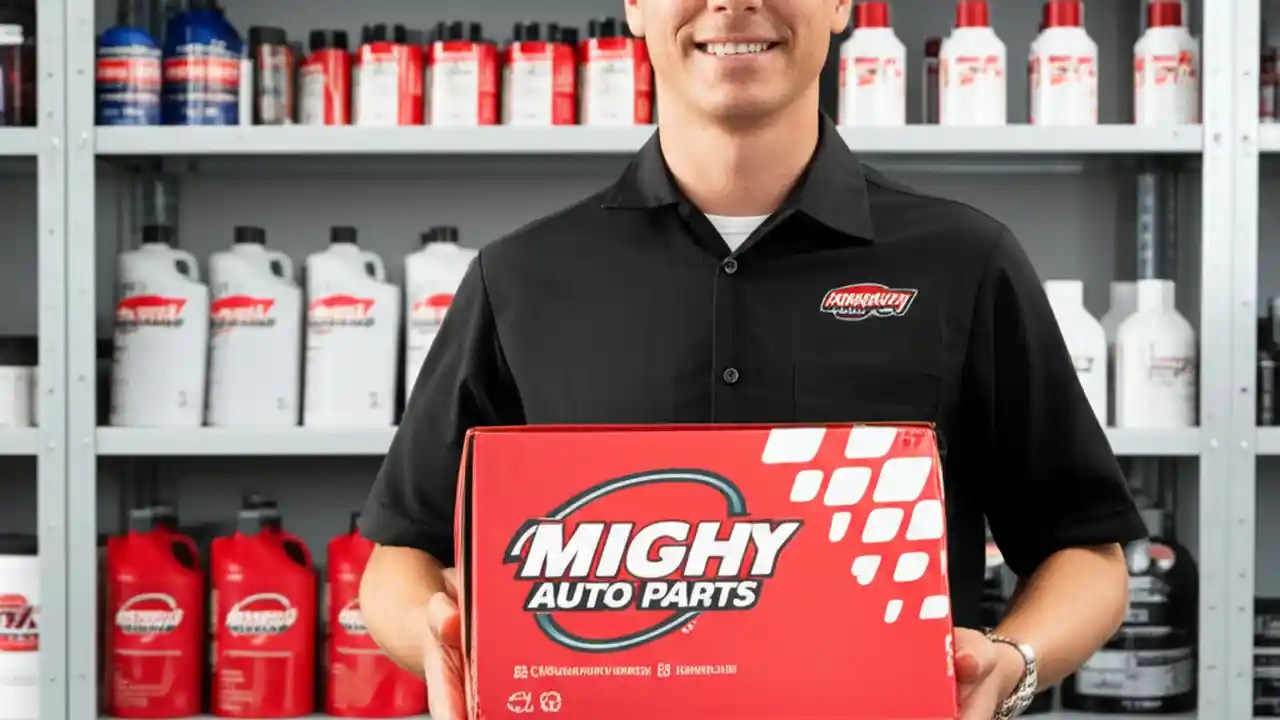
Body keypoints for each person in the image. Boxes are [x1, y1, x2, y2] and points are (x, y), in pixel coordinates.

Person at [357, 1, 1146, 718]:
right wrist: (448, 650)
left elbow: (1087, 551)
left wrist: (1011, 662)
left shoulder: (965, 261)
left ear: (841, 5)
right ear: (635, 6)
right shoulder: (520, 277)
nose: (734, 3)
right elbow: (401, 559)